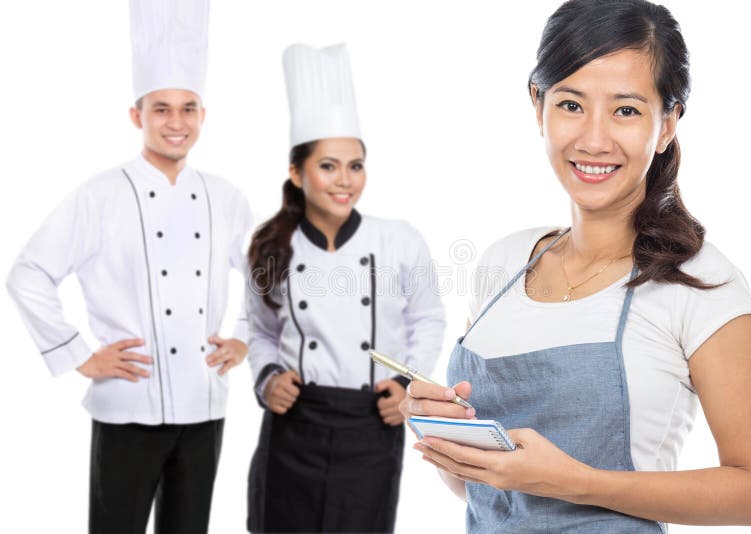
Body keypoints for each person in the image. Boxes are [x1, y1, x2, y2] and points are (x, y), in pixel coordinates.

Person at [399, 0, 751, 531]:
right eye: (571, 104)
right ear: (538, 106)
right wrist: (441, 434)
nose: (594, 139)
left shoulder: (700, 285)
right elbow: (486, 492)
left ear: (668, 122)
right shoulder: (503, 263)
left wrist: (574, 481)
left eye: (626, 110)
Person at [5, 1, 253, 532]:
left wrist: (245, 339)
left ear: (203, 116)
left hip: (204, 406)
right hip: (126, 408)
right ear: (136, 115)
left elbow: (271, 275)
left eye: (188, 108)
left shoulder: (225, 196)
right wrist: (78, 356)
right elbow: (27, 273)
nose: (176, 122)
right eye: (161, 108)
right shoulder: (99, 196)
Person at [245, 43, 446, 533]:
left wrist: (408, 386)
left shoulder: (398, 239)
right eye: (329, 166)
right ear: (297, 173)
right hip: (296, 424)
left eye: (355, 165)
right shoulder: (272, 246)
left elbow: (427, 319)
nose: (346, 181)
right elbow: (259, 331)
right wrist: (268, 377)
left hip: (372, 421)